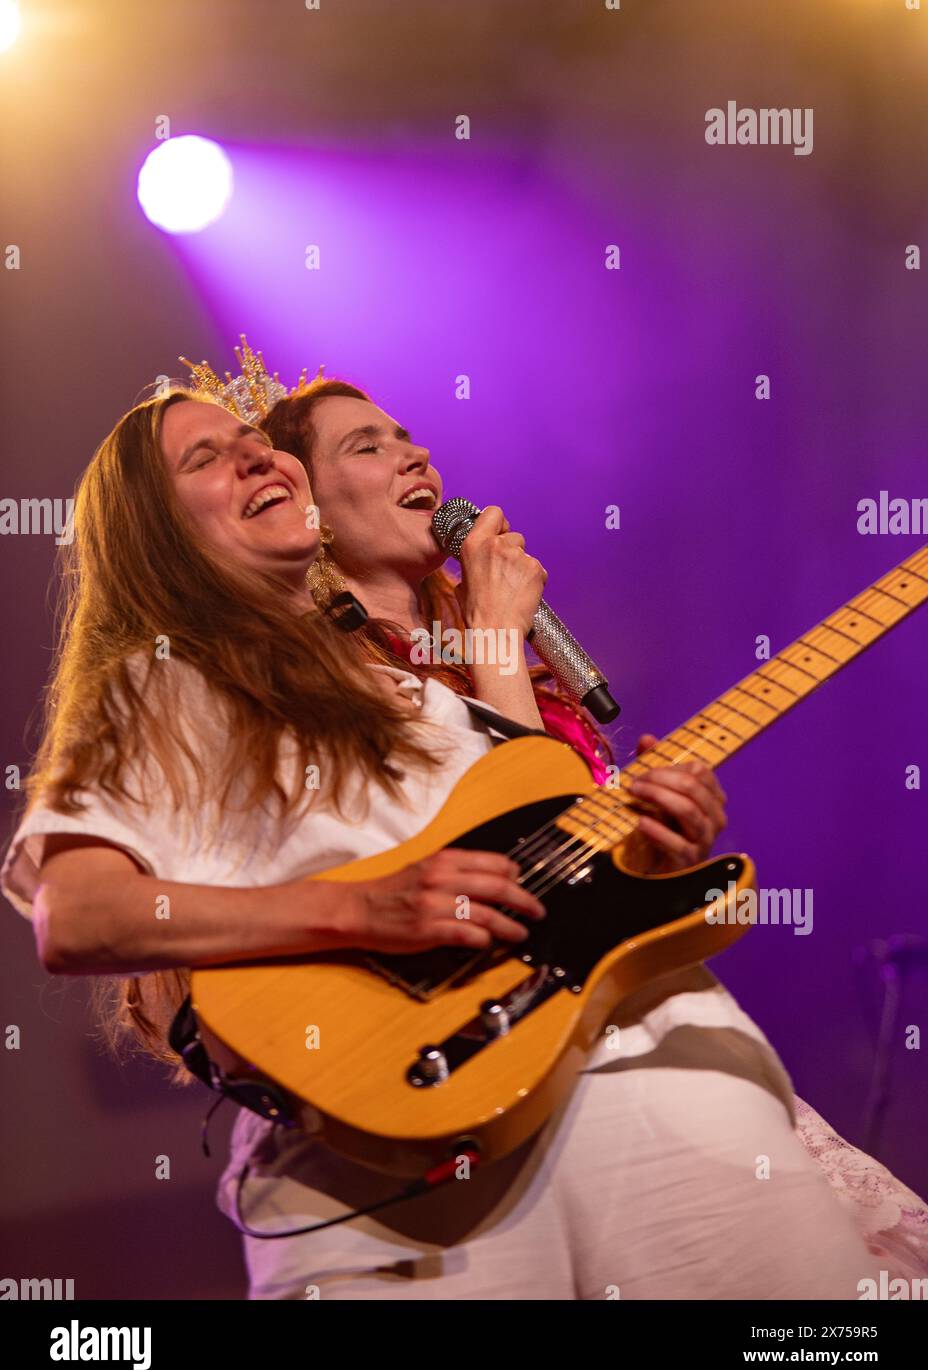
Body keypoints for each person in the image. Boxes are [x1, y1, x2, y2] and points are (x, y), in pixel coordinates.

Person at [0, 376, 907, 1302]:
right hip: (393, 1127)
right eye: (203, 457)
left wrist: (654, 847)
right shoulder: (157, 682)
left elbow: (552, 882)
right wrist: (365, 908)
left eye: (251, 439)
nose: (249, 453)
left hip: (654, 1064)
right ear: (157, 533)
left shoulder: (436, 693)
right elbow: (77, 915)